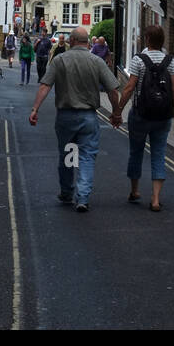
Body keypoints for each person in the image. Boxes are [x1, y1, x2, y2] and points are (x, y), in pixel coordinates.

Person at [29, 27, 120, 211]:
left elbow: (45, 85)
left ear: (71, 40)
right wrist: (116, 113)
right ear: (88, 42)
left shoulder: (60, 60)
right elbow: (112, 90)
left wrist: (35, 109)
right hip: (88, 117)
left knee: (68, 155)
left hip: (66, 117)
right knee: (87, 157)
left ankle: (67, 191)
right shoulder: (97, 61)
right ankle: (83, 197)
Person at [113, 24, 174, 212]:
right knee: (158, 154)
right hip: (163, 116)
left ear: (147, 40)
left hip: (140, 114)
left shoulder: (139, 60)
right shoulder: (170, 61)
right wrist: (166, 103)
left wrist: (118, 111)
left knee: (136, 152)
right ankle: (156, 199)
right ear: (162, 41)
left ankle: (135, 191)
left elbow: (128, 88)